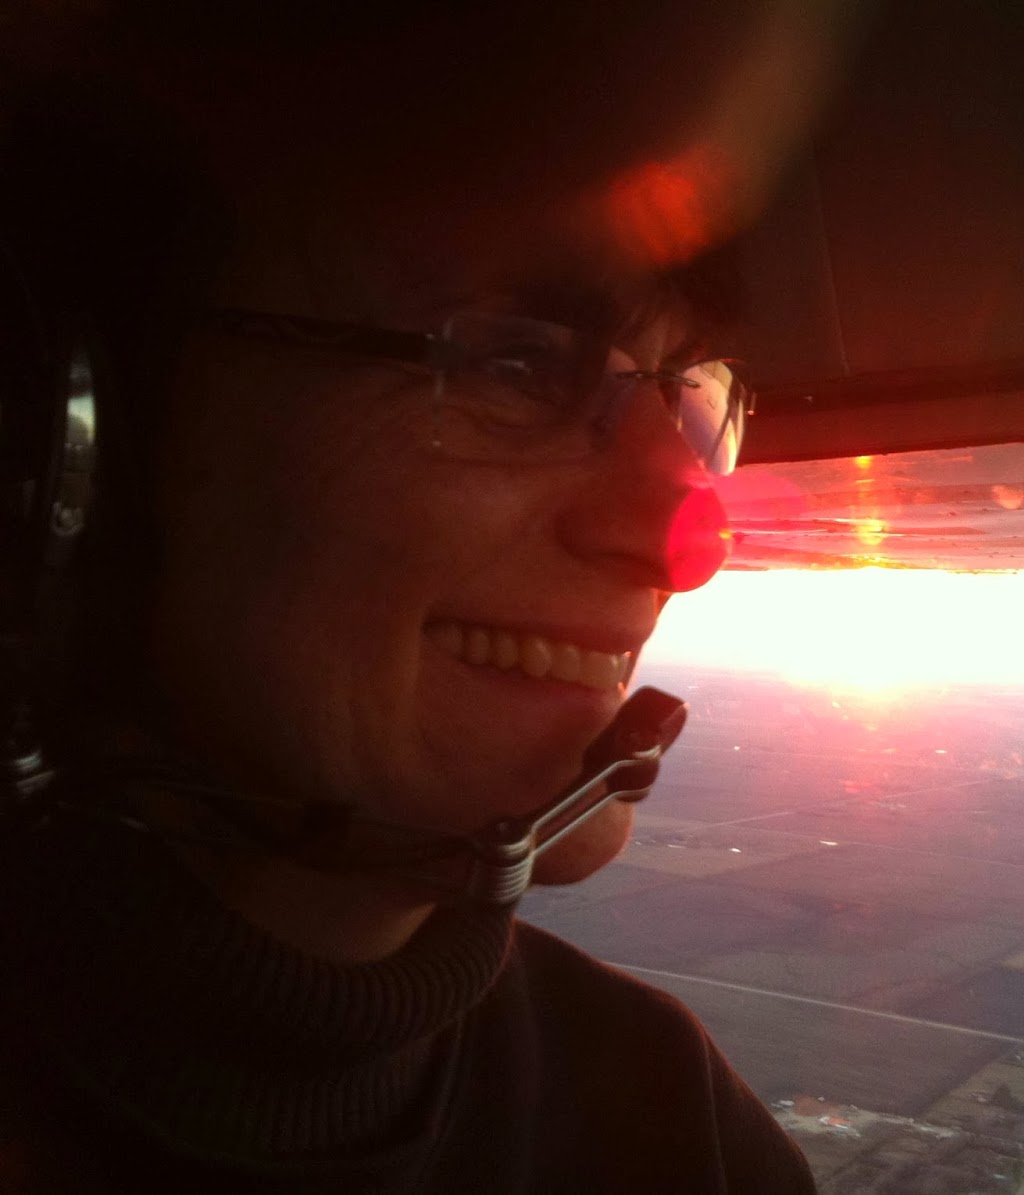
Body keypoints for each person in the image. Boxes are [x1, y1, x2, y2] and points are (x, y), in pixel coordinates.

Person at [0, 2, 836, 1189]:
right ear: (60, 450)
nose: (682, 544)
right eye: (515, 362)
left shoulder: (669, 1119)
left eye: (689, 395)